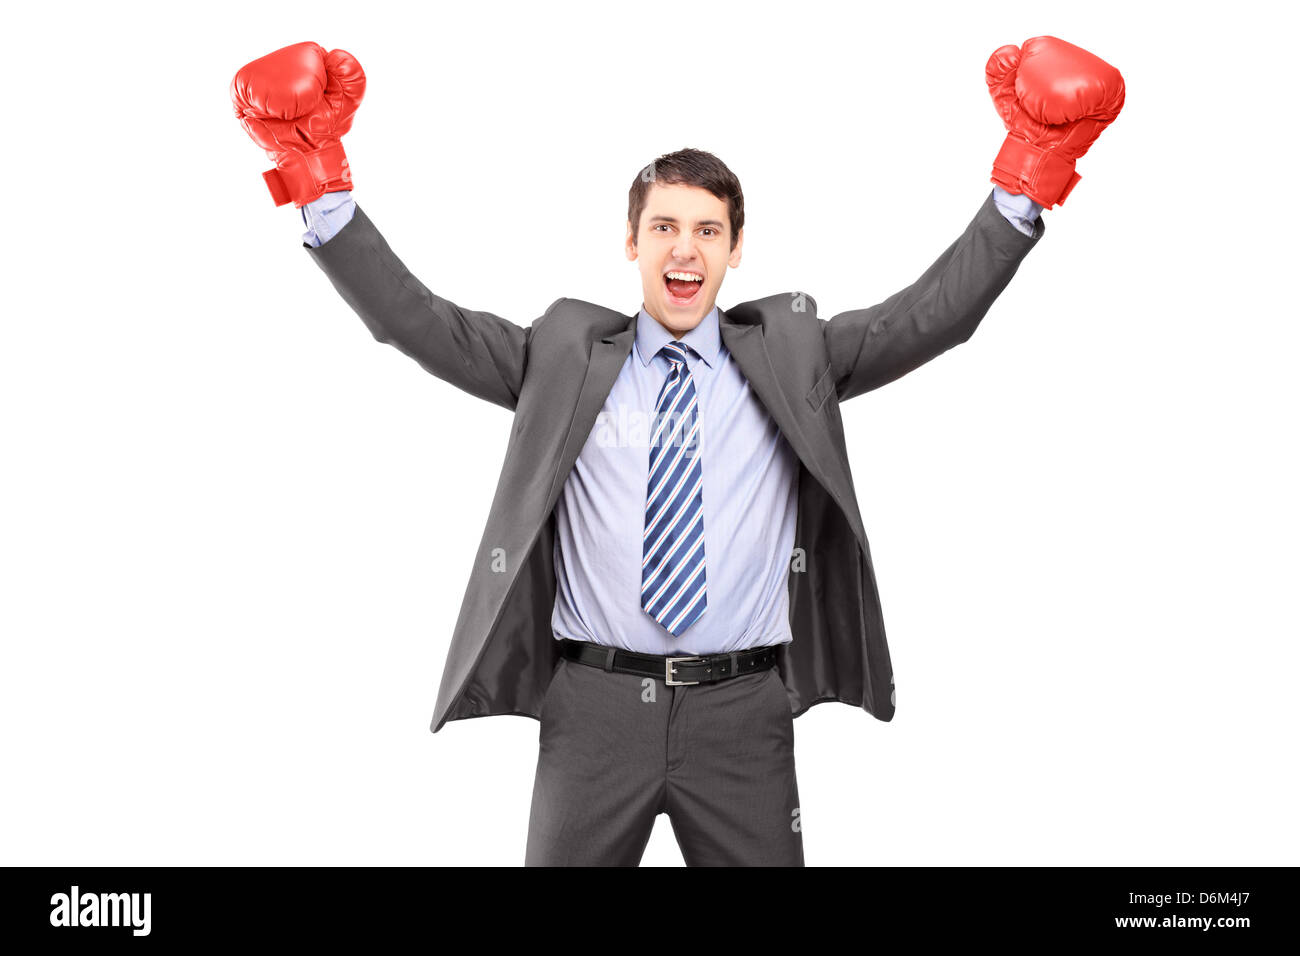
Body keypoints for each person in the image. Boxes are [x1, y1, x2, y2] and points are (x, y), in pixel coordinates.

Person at [230, 36, 1125, 866]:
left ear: (737, 249)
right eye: (663, 227)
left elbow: (935, 315)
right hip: (593, 711)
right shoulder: (563, 352)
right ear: (631, 244)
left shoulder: (795, 350)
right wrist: (317, 180)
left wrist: (1030, 177)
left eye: (706, 230)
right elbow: (413, 321)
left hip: (745, 713)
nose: (684, 248)